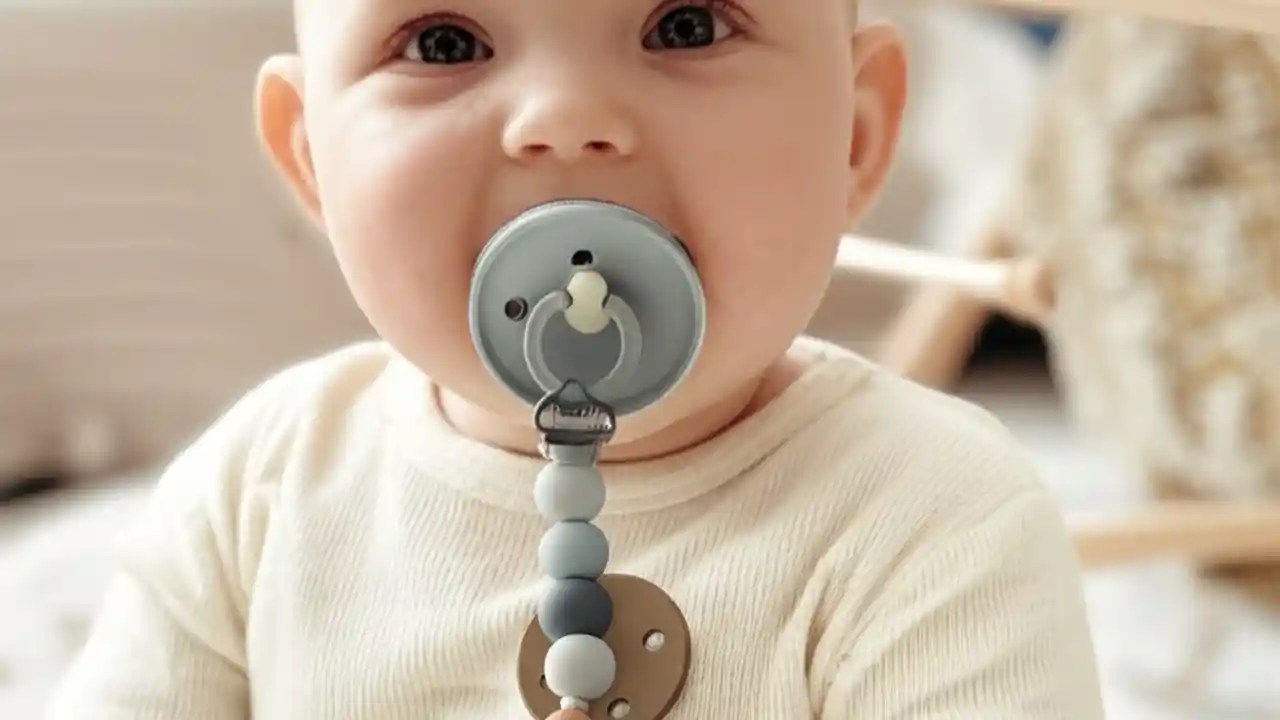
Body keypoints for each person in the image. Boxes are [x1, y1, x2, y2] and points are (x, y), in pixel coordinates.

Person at [48, 0, 1104, 717]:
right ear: (312, 158)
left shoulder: (933, 514)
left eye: (685, 24)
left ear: (856, 139)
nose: (566, 120)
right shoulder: (255, 492)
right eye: (444, 42)